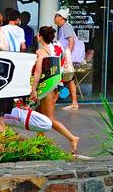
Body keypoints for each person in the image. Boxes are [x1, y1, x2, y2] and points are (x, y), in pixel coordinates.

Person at [29, 26, 80, 154]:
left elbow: (38, 71)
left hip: (47, 87)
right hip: (56, 84)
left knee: (49, 119)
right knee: (41, 116)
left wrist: (33, 89)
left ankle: (72, 138)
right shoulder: (58, 47)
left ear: (40, 36)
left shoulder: (41, 51)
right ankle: (39, 143)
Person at [53, 8, 81, 109]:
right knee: (69, 79)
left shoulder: (66, 27)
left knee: (68, 79)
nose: (54, 18)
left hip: (67, 58)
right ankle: (73, 102)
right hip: (66, 57)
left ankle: (73, 102)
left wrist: (68, 55)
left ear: (61, 18)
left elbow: (71, 41)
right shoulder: (63, 28)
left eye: (56, 16)